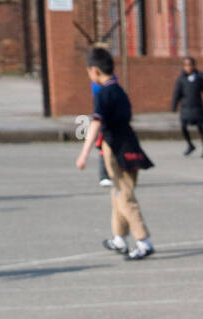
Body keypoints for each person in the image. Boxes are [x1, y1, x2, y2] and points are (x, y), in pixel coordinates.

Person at [75, 46, 155, 261]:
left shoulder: (103, 94)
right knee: (117, 193)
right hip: (130, 143)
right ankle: (119, 237)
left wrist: (83, 154)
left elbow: (95, 124)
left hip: (117, 149)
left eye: (89, 72)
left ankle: (143, 241)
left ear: (95, 71)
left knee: (125, 195)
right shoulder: (120, 90)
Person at [171, 56, 203, 158]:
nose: (188, 67)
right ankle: (190, 145)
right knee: (183, 127)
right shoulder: (181, 80)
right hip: (185, 108)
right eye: (186, 65)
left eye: (190, 65)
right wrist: (174, 105)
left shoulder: (199, 78)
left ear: (194, 66)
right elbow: (176, 94)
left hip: (197, 107)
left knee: (200, 128)